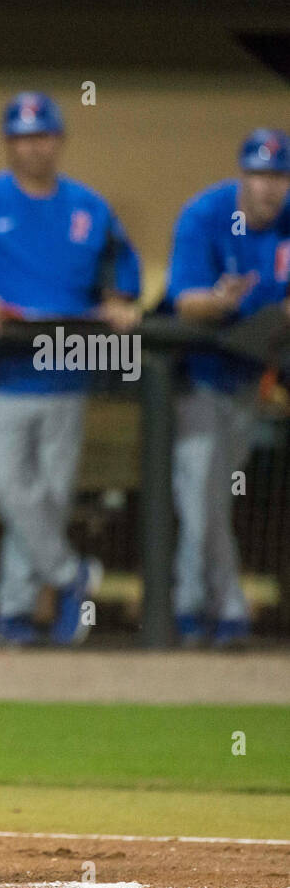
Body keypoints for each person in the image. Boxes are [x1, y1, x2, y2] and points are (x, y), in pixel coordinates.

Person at [0, 92, 142, 647]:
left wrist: (121, 302)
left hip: (68, 373)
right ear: (8, 143)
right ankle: (73, 575)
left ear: (59, 140)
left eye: (43, 135)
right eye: (23, 137)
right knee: (9, 490)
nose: (34, 146)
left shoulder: (89, 207)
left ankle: (15, 614)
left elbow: (122, 271)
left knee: (47, 502)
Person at [165, 129, 290, 648]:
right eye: (258, 175)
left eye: (277, 176)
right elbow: (184, 302)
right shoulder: (206, 214)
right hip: (196, 370)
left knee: (212, 497)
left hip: (248, 372)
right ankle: (231, 607)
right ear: (242, 175)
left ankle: (189, 606)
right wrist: (218, 300)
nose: (267, 187)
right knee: (200, 494)